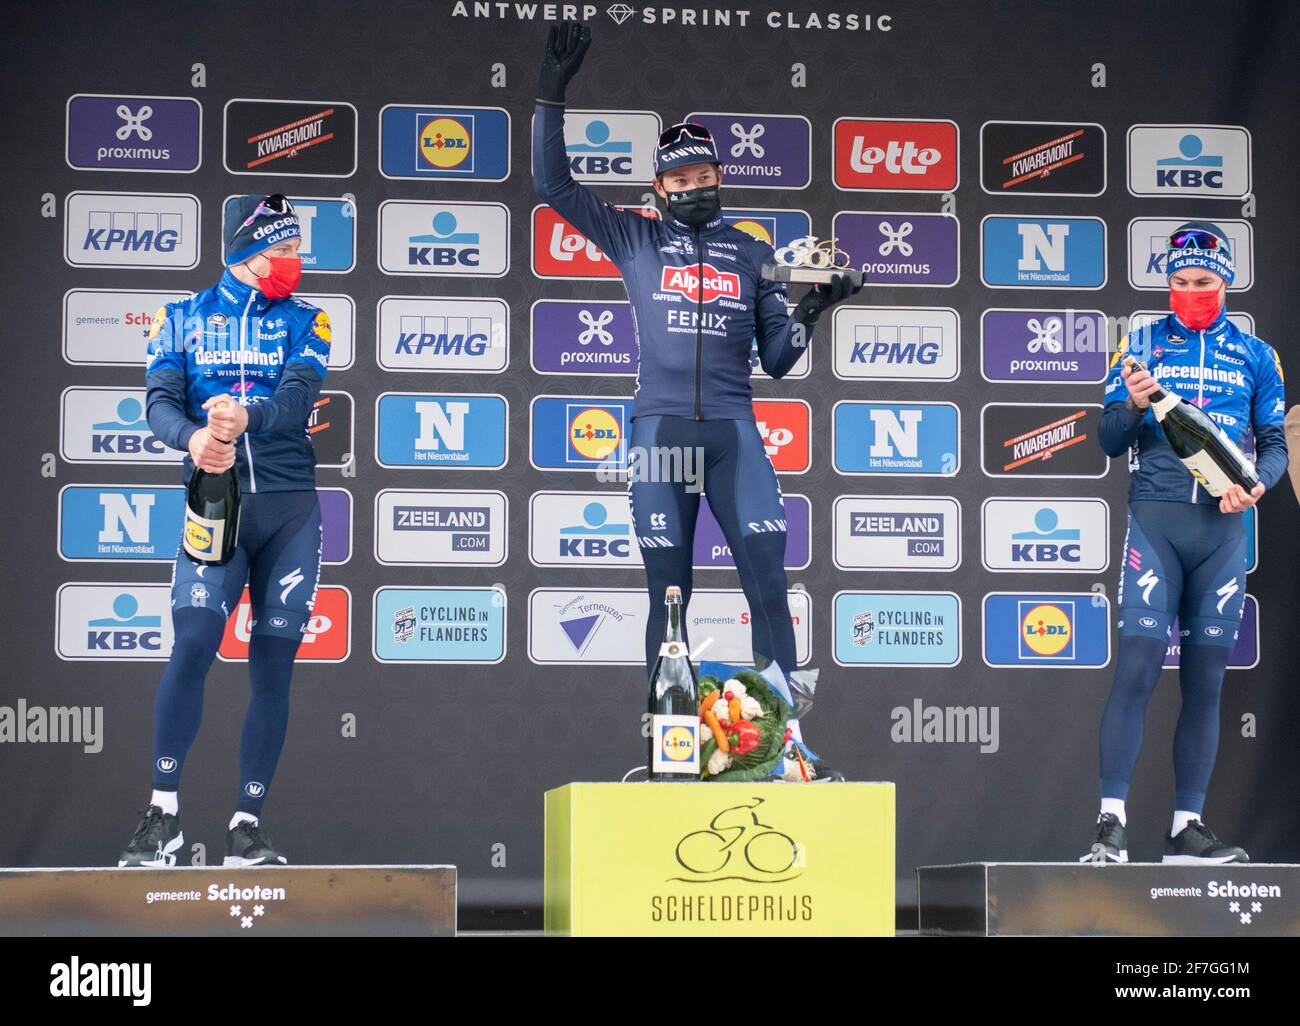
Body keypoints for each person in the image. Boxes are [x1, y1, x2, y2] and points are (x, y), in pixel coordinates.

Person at [532, 21, 859, 777]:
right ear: (658, 189)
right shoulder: (634, 238)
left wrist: (814, 306)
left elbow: (779, 361)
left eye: (703, 175)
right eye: (678, 181)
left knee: (769, 587)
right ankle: (669, 754)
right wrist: (552, 94)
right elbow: (554, 188)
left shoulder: (752, 252)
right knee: (669, 596)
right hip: (662, 438)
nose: (692, 187)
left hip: (735, 437)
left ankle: (786, 752)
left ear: (720, 177)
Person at [117, 194, 331, 867]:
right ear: (247, 251)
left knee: (273, 669)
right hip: (217, 508)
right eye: (283, 249)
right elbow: (158, 401)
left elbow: (297, 399)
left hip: (290, 512)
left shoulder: (309, 319)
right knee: (192, 644)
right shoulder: (179, 318)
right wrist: (191, 440)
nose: (295, 261)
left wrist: (247, 418)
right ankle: (164, 816)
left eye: (296, 250)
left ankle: (246, 826)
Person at [1083, 220, 1287, 864]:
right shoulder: (1139, 345)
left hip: (1223, 531)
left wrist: (1256, 486)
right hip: (1157, 522)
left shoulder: (1258, 355)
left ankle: (1185, 829)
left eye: (1203, 282)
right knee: (1138, 668)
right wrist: (1133, 405)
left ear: (1224, 284)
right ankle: (1110, 825)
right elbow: (1108, 440)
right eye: (1179, 282)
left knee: (1206, 685)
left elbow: (1274, 443)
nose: (1191, 292)